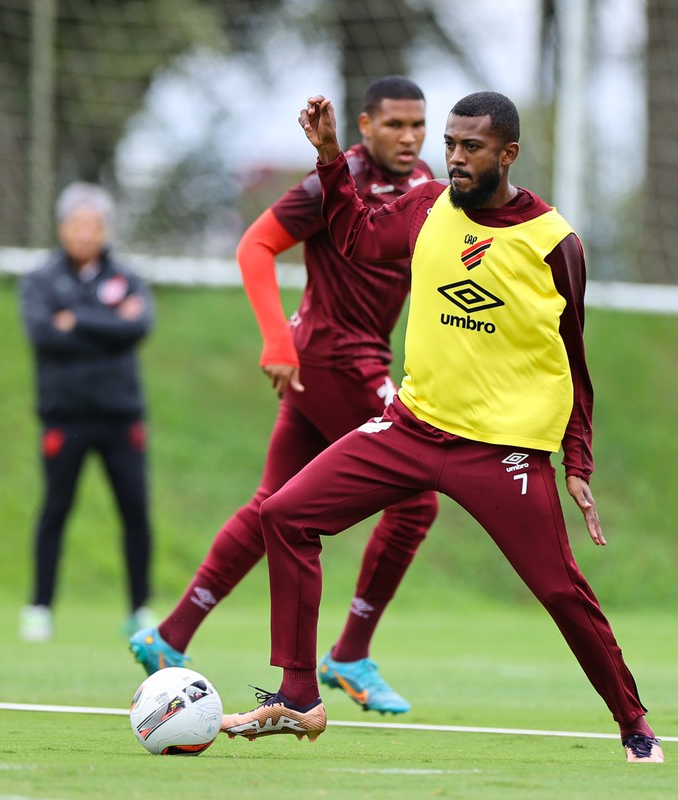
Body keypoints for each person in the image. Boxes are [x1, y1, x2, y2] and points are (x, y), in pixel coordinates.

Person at [219, 91, 665, 764]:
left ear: (508, 154)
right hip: (411, 428)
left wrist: (577, 460)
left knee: (559, 589)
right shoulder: (427, 205)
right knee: (284, 515)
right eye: (450, 144)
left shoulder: (554, 242)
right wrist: (330, 156)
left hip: (502, 453)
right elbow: (355, 235)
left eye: (471, 147)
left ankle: (634, 725)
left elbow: (576, 359)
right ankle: (300, 697)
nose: (454, 157)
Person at [128, 76, 438, 716]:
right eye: (394, 124)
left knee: (272, 503)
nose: (408, 137)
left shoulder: (424, 182)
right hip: (336, 359)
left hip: (348, 359)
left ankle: (170, 635)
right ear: (364, 126)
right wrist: (276, 339)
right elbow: (256, 245)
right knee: (417, 499)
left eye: (417, 125)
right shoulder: (336, 180)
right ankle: (348, 655)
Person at [18, 182, 154, 642]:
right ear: (62, 229)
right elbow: (42, 334)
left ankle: (139, 609)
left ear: (105, 230)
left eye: (93, 225)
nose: (84, 234)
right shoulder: (41, 280)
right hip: (65, 417)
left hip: (121, 416)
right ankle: (39, 608)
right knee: (55, 510)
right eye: (76, 225)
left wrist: (75, 319)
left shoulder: (127, 277)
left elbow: (138, 327)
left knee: (135, 511)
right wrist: (109, 322)